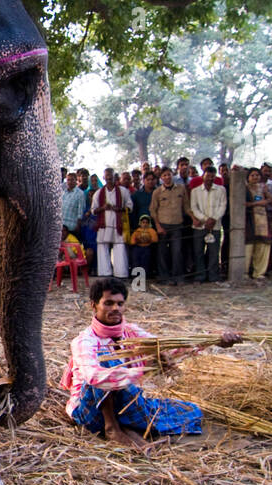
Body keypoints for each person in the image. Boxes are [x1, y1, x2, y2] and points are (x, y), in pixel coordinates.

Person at [60, 278, 240, 452]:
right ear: (94, 305)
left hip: (124, 406)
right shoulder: (85, 341)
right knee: (108, 359)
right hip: (90, 412)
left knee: (192, 411)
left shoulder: (130, 332)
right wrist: (142, 371)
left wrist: (213, 340)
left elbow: (167, 349)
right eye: (108, 303)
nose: (116, 308)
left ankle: (127, 426)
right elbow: (94, 377)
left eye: (120, 304)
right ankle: (112, 428)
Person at [150, 167, 189, 285]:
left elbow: (186, 207)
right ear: (161, 178)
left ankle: (178, 277)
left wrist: (194, 218)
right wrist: (158, 226)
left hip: (177, 225)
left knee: (177, 251)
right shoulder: (157, 192)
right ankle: (164, 277)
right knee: (162, 252)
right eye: (164, 175)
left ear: (173, 175)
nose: (167, 177)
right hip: (163, 225)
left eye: (169, 175)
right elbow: (153, 210)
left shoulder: (181, 189)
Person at [190, 168, 227, 282]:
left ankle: (213, 276)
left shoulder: (221, 190)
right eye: (208, 176)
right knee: (198, 252)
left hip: (215, 226)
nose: (210, 179)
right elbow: (194, 208)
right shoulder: (195, 191)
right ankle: (200, 276)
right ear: (203, 176)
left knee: (214, 252)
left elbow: (223, 206)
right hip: (200, 226)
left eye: (212, 176)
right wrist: (205, 219)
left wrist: (214, 219)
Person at [92, 168, 132, 276]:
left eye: (111, 177)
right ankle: (105, 273)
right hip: (103, 225)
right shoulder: (98, 193)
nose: (109, 179)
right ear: (104, 178)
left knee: (120, 247)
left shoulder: (123, 191)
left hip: (118, 225)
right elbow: (93, 210)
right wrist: (103, 208)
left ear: (115, 177)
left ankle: (121, 273)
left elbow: (130, 206)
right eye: (107, 177)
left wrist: (119, 209)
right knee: (102, 248)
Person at [246, 168, 272, 280]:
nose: (255, 177)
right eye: (253, 175)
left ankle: (259, 273)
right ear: (248, 177)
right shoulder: (244, 188)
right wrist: (257, 203)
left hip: (263, 221)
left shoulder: (263, 187)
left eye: (257, 175)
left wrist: (254, 203)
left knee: (263, 246)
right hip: (248, 221)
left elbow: (270, 200)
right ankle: (245, 273)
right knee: (247, 246)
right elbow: (243, 204)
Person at [61, 171, 87, 238]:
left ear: (76, 180)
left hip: (72, 227)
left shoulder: (80, 194)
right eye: (68, 180)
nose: (70, 182)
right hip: (62, 227)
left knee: (72, 247)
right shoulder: (64, 193)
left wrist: (78, 226)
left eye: (72, 180)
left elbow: (80, 212)